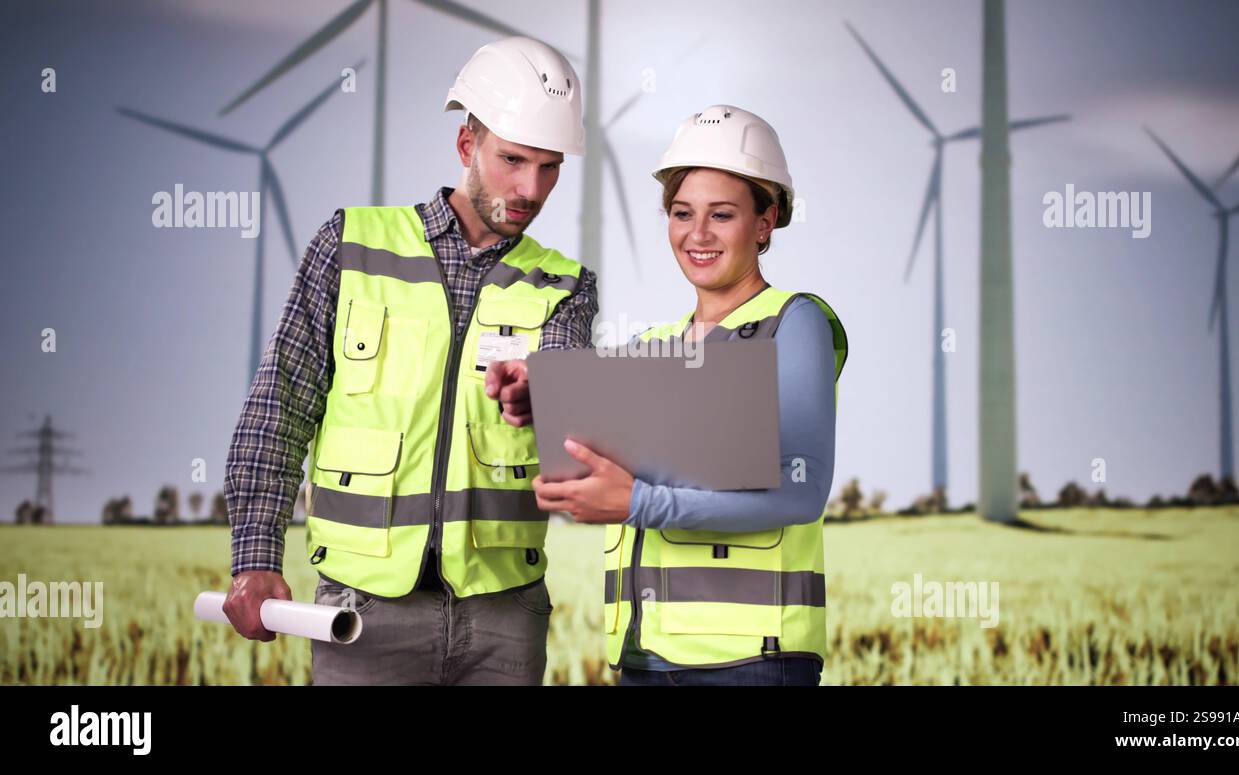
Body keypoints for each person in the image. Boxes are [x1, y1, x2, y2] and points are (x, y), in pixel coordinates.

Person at [220, 36, 598, 686]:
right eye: (513, 160)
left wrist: (547, 398)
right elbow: (280, 407)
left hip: (503, 617)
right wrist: (255, 555)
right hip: (363, 611)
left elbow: (570, 420)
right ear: (465, 145)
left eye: (549, 167)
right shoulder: (350, 246)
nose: (530, 189)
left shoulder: (563, 284)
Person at [531, 105, 848, 686]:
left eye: (721, 215)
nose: (697, 235)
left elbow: (801, 490)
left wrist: (640, 504)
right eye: (682, 213)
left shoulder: (791, 323)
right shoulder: (653, 347)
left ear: (765, 221)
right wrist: (529, 401)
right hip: (644, 656)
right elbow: (589, 458)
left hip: (750, 661)